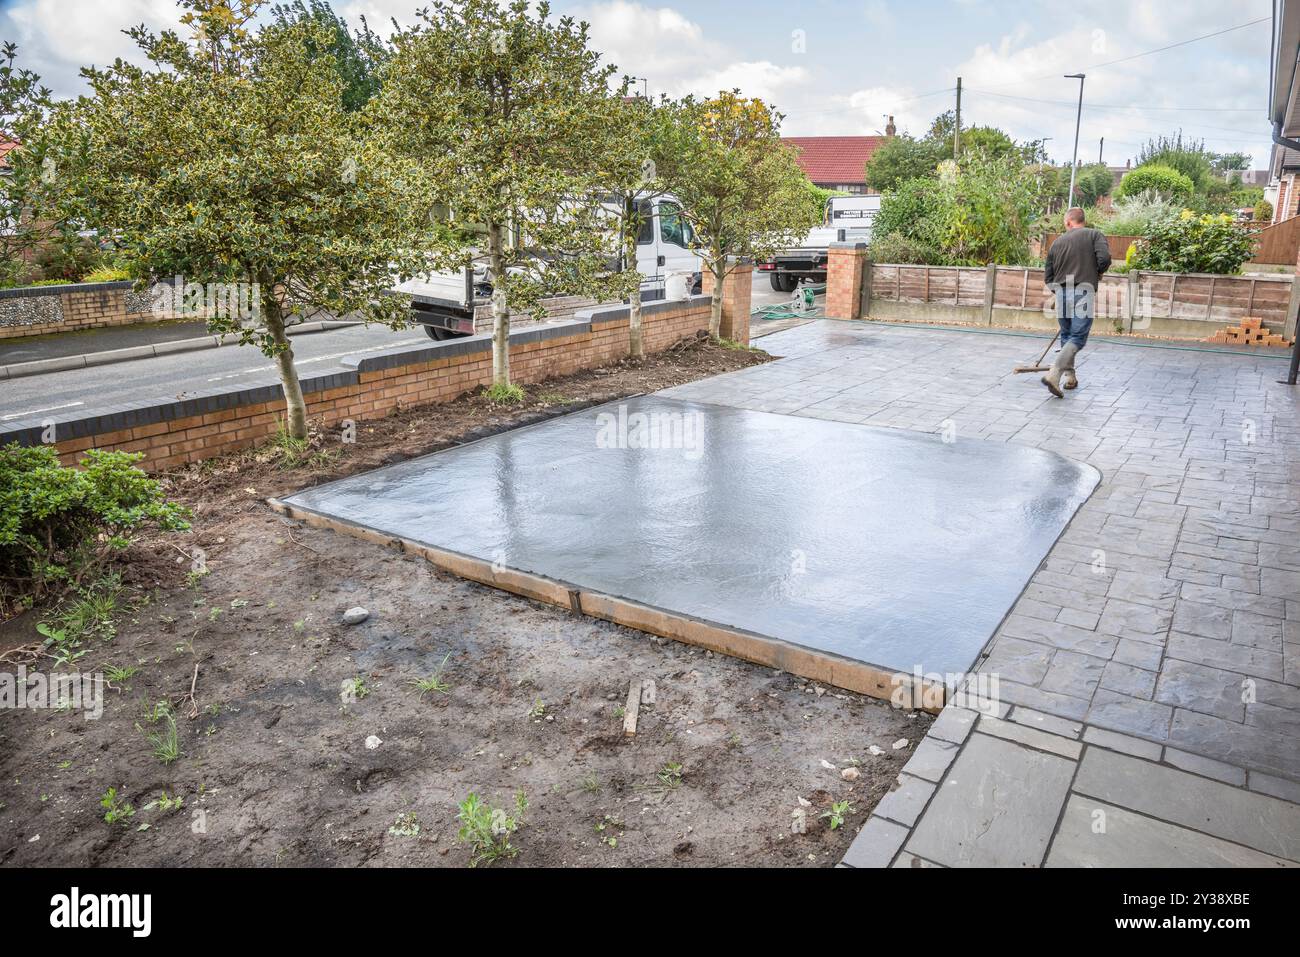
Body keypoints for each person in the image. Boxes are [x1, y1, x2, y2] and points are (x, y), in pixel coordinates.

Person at [1041, 207, 1111, 396]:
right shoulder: (1094, 235)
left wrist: (1059, 291)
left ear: (1068, 222)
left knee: (1067, 334)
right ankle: (1054, 374)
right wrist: (1097, 272)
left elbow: (1048, 276)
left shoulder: (1057, 243)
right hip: (1083, 290)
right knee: (1078, 337)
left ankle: (1069, 378)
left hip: (1062, 292)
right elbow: (1104, 258)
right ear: (1082, 220)